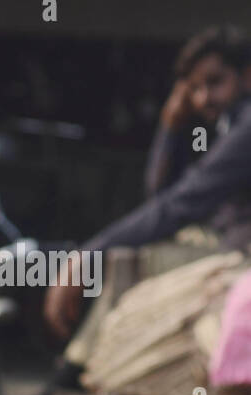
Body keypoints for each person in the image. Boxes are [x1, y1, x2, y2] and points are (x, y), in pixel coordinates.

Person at [45, 25, 251, 341]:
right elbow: (162, 196)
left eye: (214, 82)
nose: (203, 98)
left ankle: (79, 368)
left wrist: (88, 256)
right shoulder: (228, 124)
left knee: (137, 260)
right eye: (194, 88)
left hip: (242, 255)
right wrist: (171, 124)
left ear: (247, 76)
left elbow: (180, 204)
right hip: (230, 245)